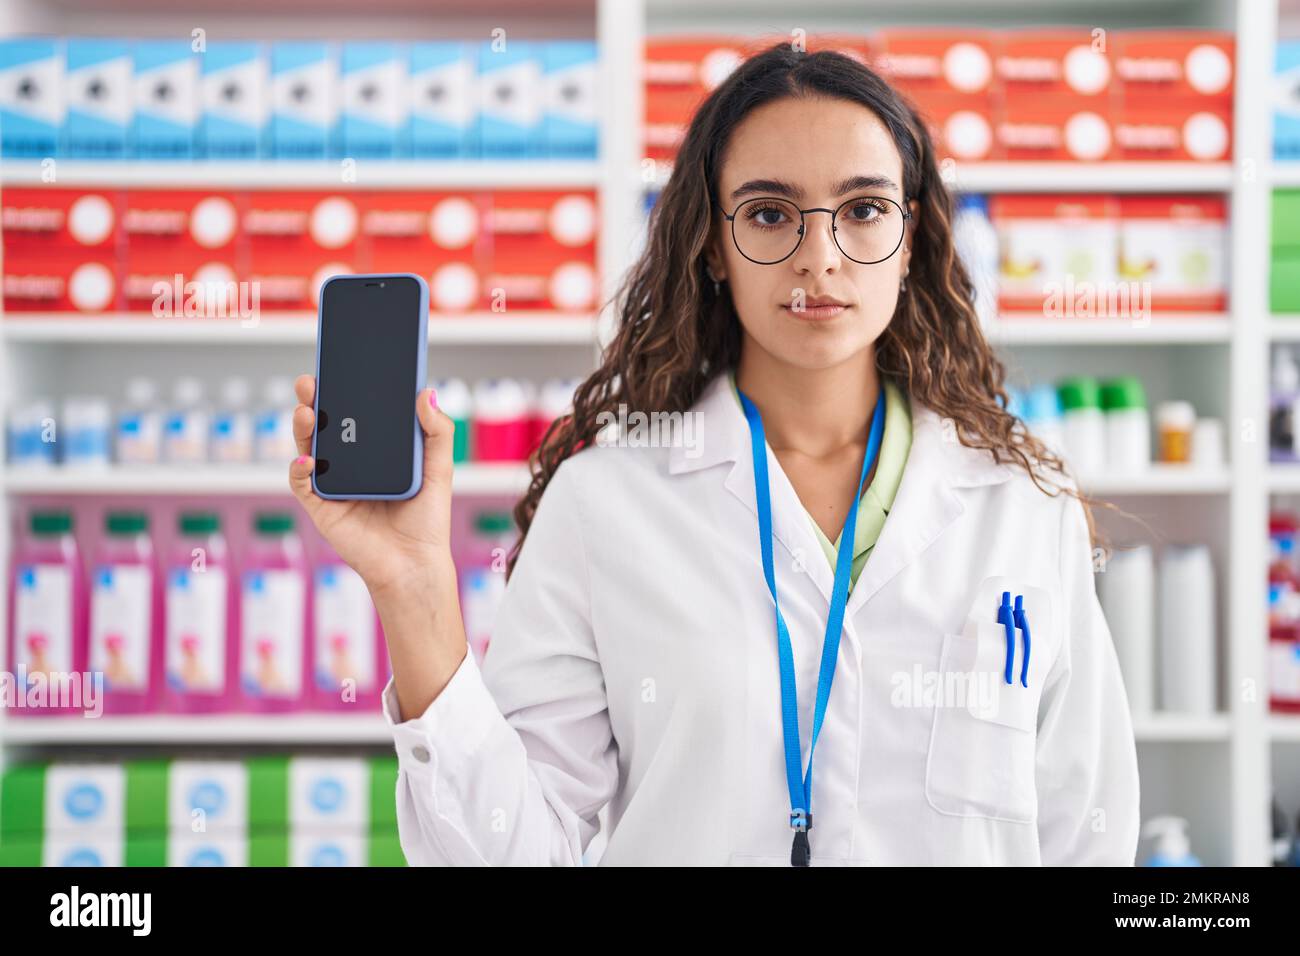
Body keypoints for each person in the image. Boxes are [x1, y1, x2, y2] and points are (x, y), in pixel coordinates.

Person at [287, 43, 1139, 866]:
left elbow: (1086, 834)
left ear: (911, 238)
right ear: (712, 246)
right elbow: (511, 853)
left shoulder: (1022, 506)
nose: (820, 256)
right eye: (769, 213)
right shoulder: (607, 504)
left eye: (865, 209)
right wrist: (417, 595)